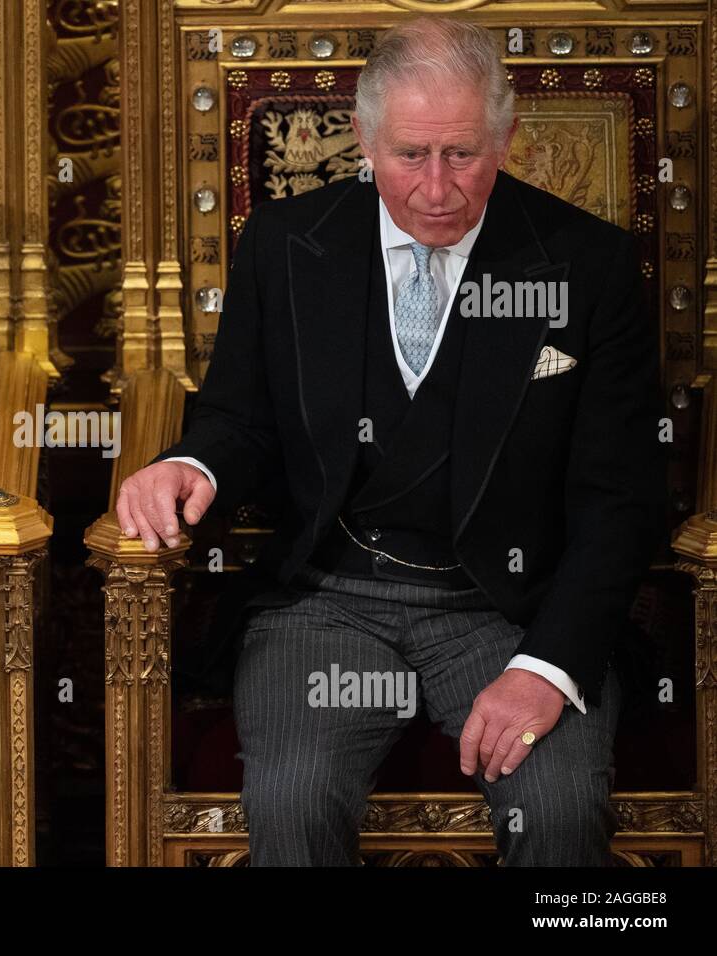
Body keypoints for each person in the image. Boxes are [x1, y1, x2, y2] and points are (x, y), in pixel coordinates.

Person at [117, 17, 668, 864]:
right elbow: (241, 421)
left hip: (508, 613)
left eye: (464, 154)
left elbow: (620, 500)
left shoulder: (586, 266)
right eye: (411, 154)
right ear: (364, 139)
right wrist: (187, 466)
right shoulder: (284, 245)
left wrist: (548, 669)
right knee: (294, 799)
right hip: (327, 601)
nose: (438, 188)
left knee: (557, 812)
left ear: (507, 139)